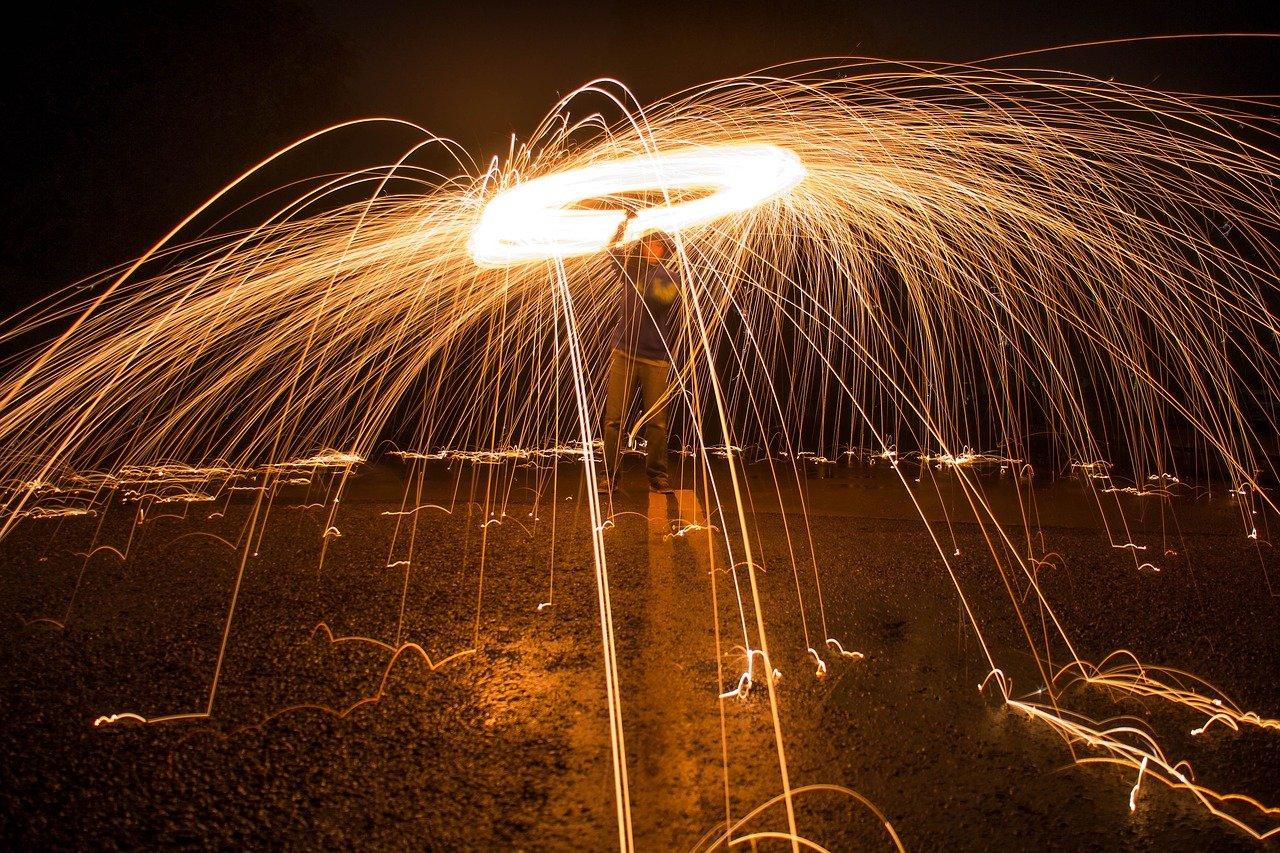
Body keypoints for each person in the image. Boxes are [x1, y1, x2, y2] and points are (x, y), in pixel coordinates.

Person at [599, 214, 682, 493]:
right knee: (614, 420)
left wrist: (643, 272)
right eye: (649, 245)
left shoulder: (670, 277)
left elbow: (662, 299)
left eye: (659, 246)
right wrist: (624, 224)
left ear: (665, 250)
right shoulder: (629, 271)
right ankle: (610, 476)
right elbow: (611, 248)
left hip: (656, 357)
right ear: (642, 247)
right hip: (623, 352)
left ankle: (657, 476)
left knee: (656, 421)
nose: (653, 250)